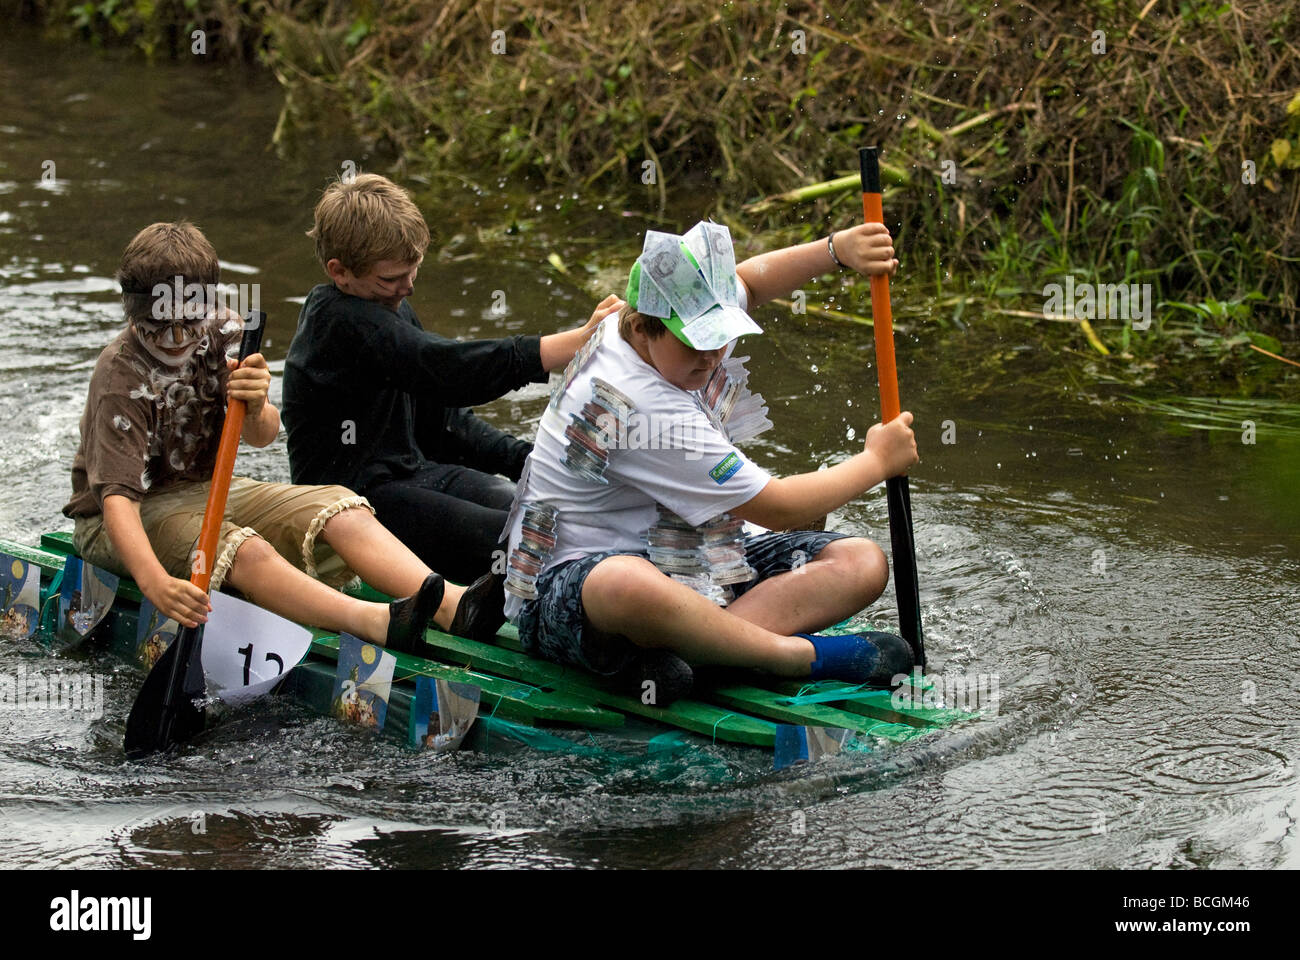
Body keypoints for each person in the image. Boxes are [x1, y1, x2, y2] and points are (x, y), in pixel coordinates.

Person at [501, 221, 919, 704]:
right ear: (642, 327)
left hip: (686, 558)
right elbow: (778, 508)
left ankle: (693, 658)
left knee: (859, 562)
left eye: (719, 339)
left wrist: (836, 250)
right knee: (627, 582)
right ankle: (790, 656)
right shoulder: (639, 403)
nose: (712, 358)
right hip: (566, 591)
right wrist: (875, 461)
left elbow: (754, 282)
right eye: (697, 344)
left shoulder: (674, 325)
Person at [63, 221, 500, 654]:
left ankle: (453, 606)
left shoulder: (227, 334)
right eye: (160, 326)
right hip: (117, 519)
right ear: (135, 312)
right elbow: (117, 499)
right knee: (245, 550)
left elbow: (262, 434)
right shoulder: (121, 374)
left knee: (340, 506)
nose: (176, 339)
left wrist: (256, 404)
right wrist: (154, 582)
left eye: (188, 323)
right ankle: (375, 622)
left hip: (207, 490)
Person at [282, 173, 622, 587]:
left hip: (414, 472)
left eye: (414, 272)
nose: (406, 288)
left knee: (551, 513)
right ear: (340, 272)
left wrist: (530, 461)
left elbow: (446, 425)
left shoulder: (390, 309)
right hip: (354, 504)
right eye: (390, 279)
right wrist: (565, 346)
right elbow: (446, 370)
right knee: (529, 539)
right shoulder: (336, 322)